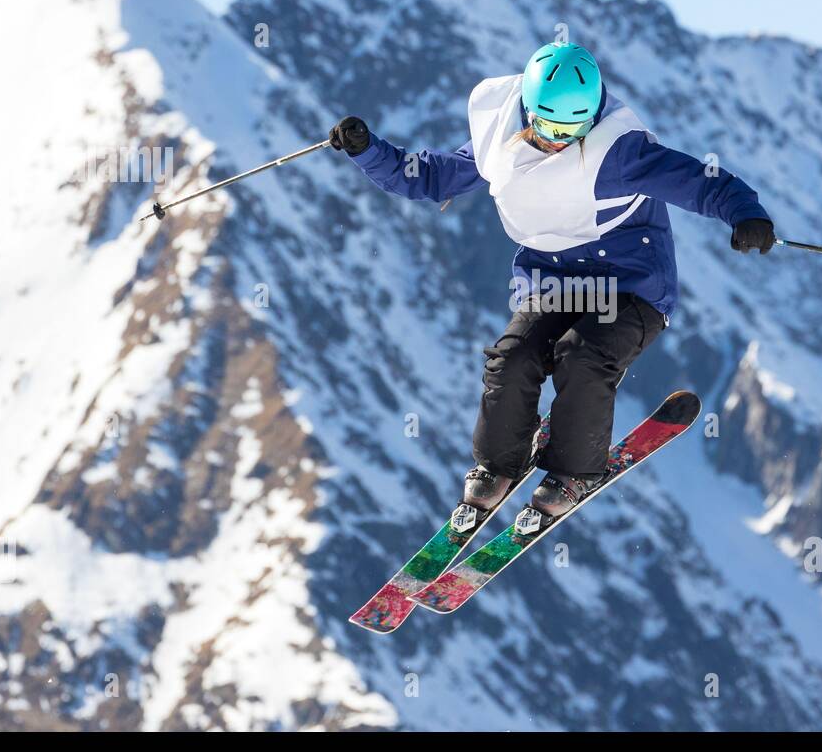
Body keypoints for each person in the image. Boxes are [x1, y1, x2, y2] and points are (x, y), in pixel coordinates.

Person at [330, 42, 773, 530]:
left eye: (574, 129)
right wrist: (368, 151)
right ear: (528, 107)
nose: (561, 140)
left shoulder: (619, 150)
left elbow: (700, 181)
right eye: (551, 127)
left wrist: (745, 213)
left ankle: (574, 472)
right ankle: (500, 463)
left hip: (630, 288)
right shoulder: (503, 133)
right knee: (513, 357)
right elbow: (431, 179)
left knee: (582, 356)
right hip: (551, 282)